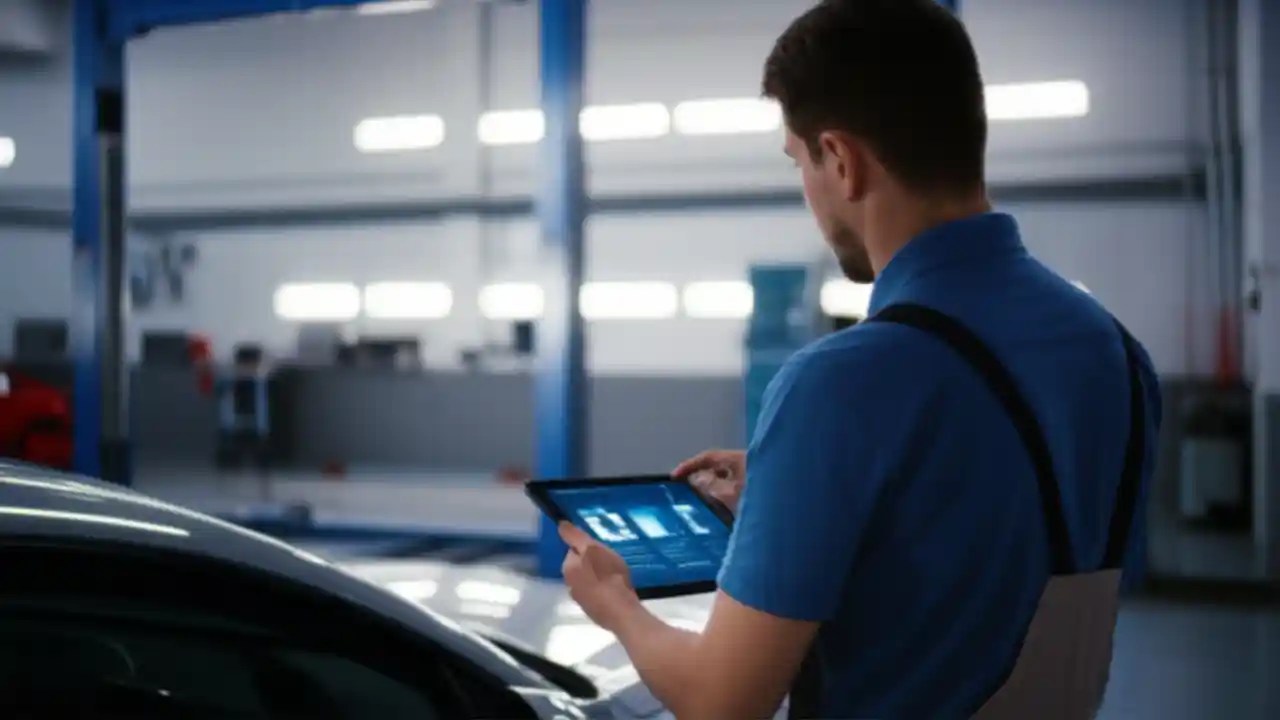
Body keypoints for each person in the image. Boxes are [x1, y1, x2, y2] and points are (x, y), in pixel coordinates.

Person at [556, 0, 1162, 717]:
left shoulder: (841, 384)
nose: (806, 191)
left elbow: (723, 700)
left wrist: (617, 606)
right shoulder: (1117, 353)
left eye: (798, 160)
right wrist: (806, 481)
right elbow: (987, 527)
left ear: (839, 160)